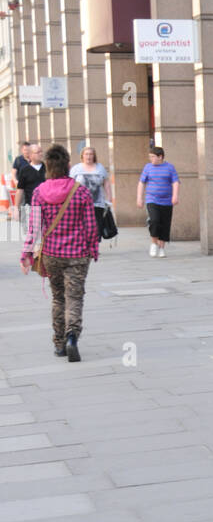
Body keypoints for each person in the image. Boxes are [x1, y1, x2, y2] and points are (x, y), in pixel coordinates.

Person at [20, 142, 99, 361]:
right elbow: (91, 227)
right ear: (68, 165)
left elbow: (34, 228)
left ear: (48, 167)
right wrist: (93, 249)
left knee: (58, 298)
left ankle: (59, 343)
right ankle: (72, 335)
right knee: (75, 297)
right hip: (78, 254)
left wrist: (26, 255)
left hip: (52, 255)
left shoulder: (38, 193)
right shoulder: (80, 192)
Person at [137, 146, 178, 257]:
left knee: (165, 224)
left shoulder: (170, 167)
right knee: (154, 221)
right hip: (152, 199)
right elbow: (141, 183)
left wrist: (175, 196)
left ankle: (161, 248)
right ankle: (154, 243)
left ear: (160, 157)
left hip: (167, 201)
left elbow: (175, 182)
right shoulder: (148, 167)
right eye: (150, 157)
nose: (151, 159)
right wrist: (139, 198)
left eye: (153, 157)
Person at [71, 145, 111, 236]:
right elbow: (70, 185)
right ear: (82, 156)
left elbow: (106, 184)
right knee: (82, 226)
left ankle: (95, 248)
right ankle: (85, 247)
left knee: (97, 226)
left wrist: (109, 198)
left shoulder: (100, 168)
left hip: (97, 203)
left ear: (94, 156)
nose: (88, 156)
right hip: (80, 204)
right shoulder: (76, 169)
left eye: (91, 154)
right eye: (86, 154)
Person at [15, 141, 46, 235]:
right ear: (30, 155)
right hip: (31, 206)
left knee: (46, 234)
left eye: (41, 151)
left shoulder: (48, 168)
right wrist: (16, 208)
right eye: (38, 152)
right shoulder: (25, 170)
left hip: (47, 206)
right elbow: (20, 190)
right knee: (33, 235)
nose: (41, 154)